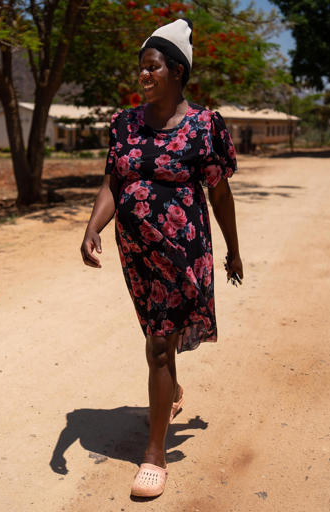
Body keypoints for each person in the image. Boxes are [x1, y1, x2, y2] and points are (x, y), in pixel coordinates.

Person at [80, 18, 243, 498]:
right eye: (141, 70)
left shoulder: (203, 126)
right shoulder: (125, 123)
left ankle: (154, 454)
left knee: (156, 345)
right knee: (156, 336)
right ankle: (169, 391)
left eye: (151, 68)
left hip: (183, 253)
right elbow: (115, 179)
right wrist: (93, 226)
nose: (143, 76)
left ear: (176, 70)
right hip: (137, 254)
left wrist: (233, 249)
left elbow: (220, 193)